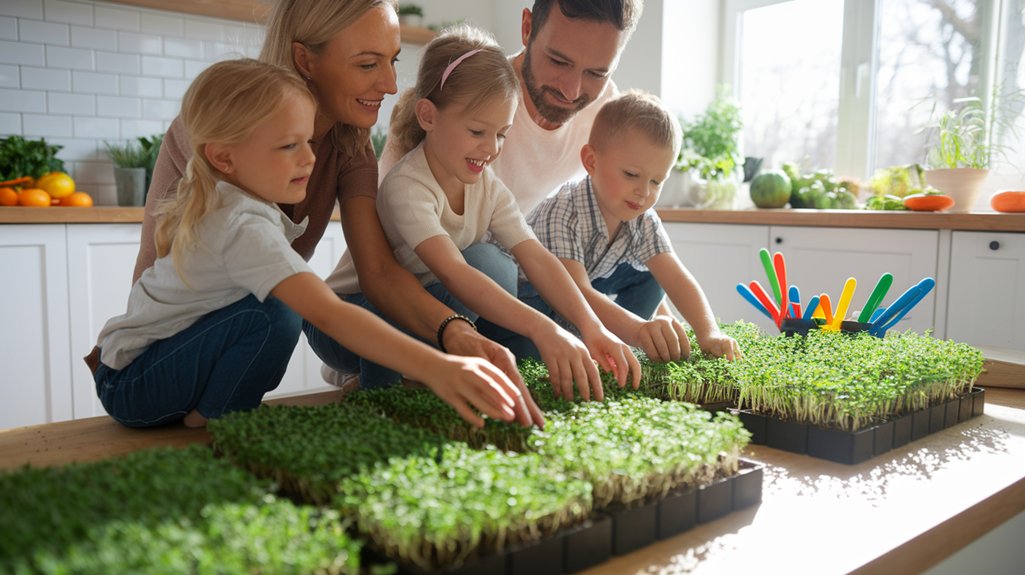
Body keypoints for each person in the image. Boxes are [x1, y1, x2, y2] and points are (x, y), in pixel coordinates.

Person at [130, 0, 542, 426]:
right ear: (306, 59)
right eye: (368, 65)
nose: (389, 83)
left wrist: (454, 332)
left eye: (392, 60)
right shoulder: (222, 131)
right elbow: (153, 264)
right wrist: (129, 352)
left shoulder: (352, 145)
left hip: (252, 341)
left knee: (278, 312)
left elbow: (378, 274)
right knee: (279, 310)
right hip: (179, 340)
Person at [336, 25, 640, 400]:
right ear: (428, 116)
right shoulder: (407, 186)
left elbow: (536, 258)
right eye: (478, 131)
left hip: (430, 311)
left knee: (510, 298)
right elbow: (454, 272)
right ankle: (377, 391)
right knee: (485, 265)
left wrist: (592, 328)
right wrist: (545, 327)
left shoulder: (486, 185)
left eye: (501, 134)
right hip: (350, 319)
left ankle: (421, 370)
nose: (491, 148)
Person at [522, 90, 741, 361]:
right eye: (631, 175)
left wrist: (710, 333)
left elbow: (675, 276)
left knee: (654, 276)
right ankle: (618, 339)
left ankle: (623, 348)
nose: (644, 192)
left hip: (581, 303)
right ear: (591, 162)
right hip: (529, 301)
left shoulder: (641, 216)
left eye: (656, 181)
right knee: (535, 359)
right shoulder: (564, 210)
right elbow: (576, 293)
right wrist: (636, 329)